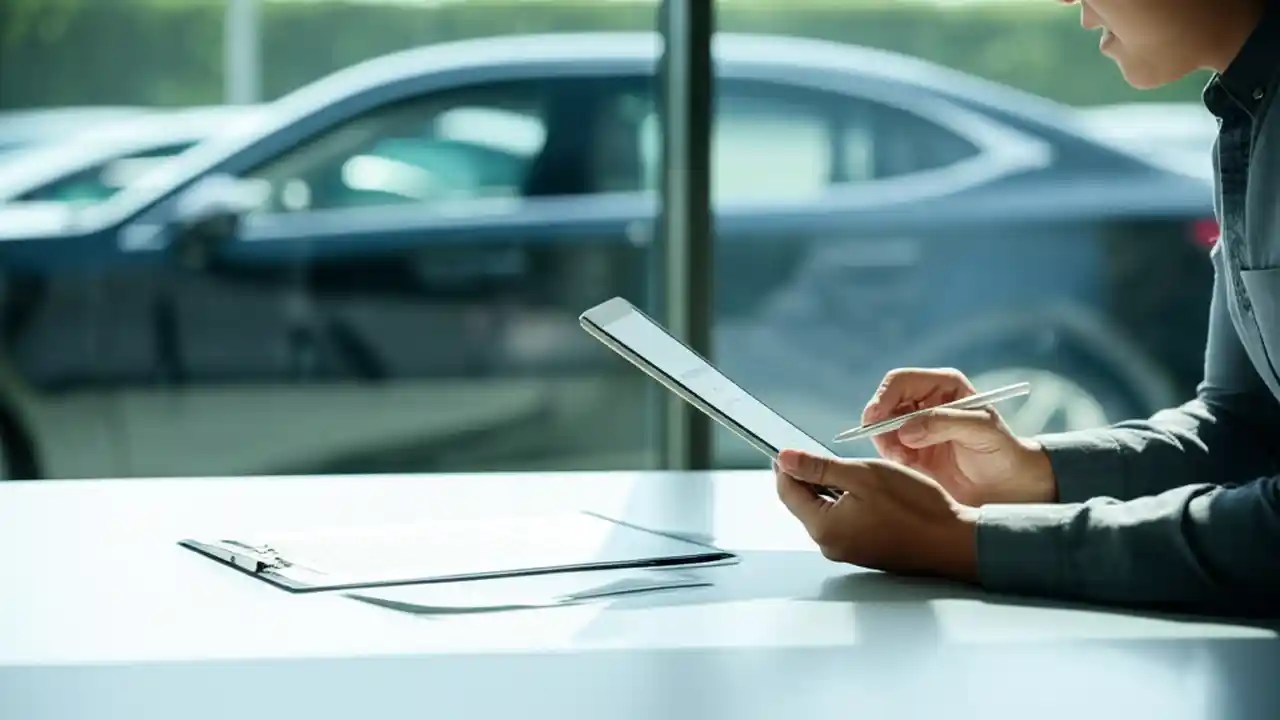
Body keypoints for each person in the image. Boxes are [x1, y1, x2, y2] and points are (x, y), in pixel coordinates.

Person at [774, 0, 1280, 613]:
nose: (1070, 1)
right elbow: (1247, 430)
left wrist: (958, 539)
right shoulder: (1252, 122)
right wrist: (1031, 474)